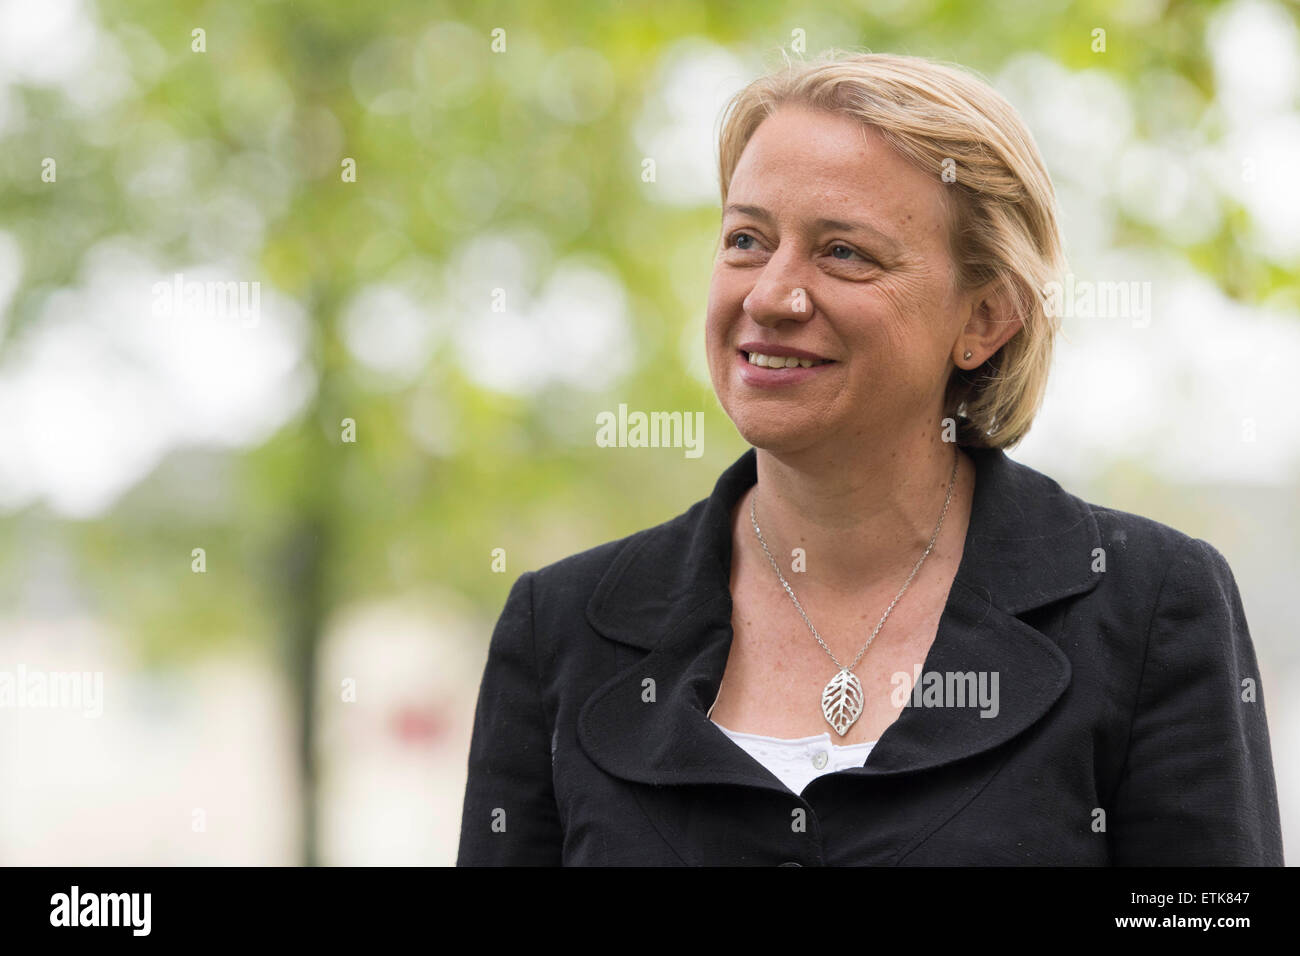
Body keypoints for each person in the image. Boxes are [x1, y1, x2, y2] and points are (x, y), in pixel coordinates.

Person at [456, 50, 1284, 866]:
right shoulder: (557, 630)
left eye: (844, 252)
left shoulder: (1148, 609)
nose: (771, 295)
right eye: (747, 238)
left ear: (986, 318)